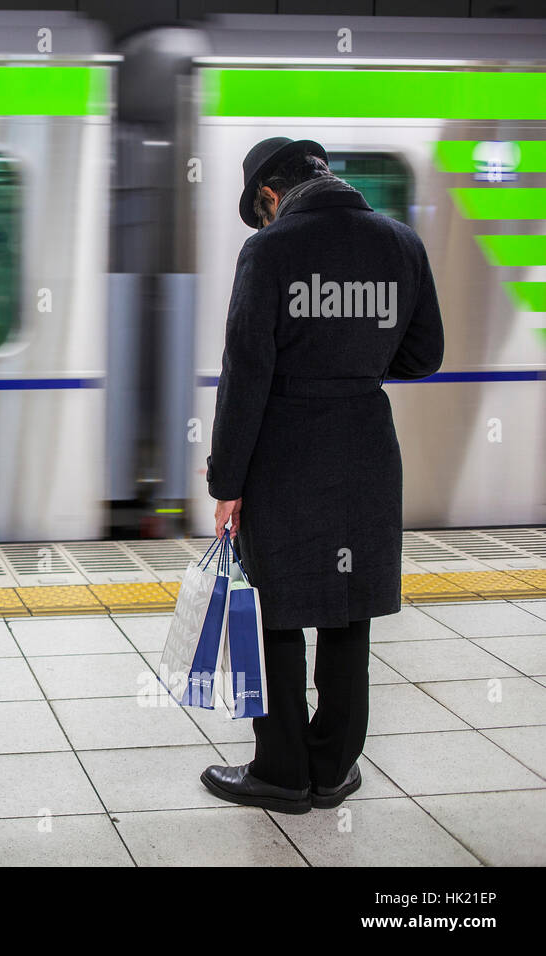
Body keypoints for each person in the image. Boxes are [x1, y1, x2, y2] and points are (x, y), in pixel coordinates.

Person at [202, 138, 444, 814]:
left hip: (285, 453)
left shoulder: (271, 251)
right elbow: (426, 354)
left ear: (268, 195)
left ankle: (281, 774)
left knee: (276, 610)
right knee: (349, 609)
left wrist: (227, 481)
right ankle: (333, 768)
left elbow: (246, 375)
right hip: (366, 448)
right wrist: (353, 367)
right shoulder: (400, 244)